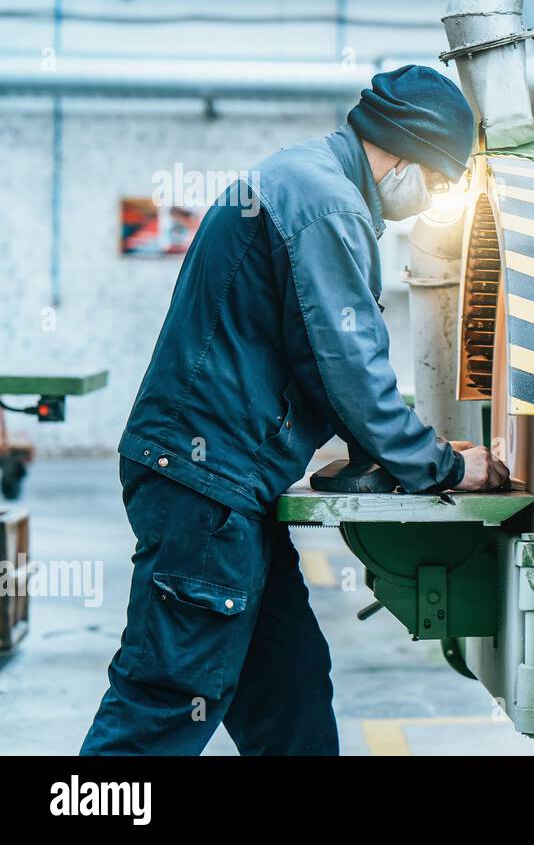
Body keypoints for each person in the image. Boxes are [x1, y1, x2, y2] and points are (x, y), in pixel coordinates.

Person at [82, 65, 508, 755]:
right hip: (207, 492)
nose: (429, 201)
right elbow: (347, 367)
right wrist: (443, 469)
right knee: (164, 702)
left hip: (225, 490)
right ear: (404, 155)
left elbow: (323, 362)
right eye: (435, 183)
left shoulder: (308, 183)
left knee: (290, 689)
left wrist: (408, 449)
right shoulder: (326, 202)